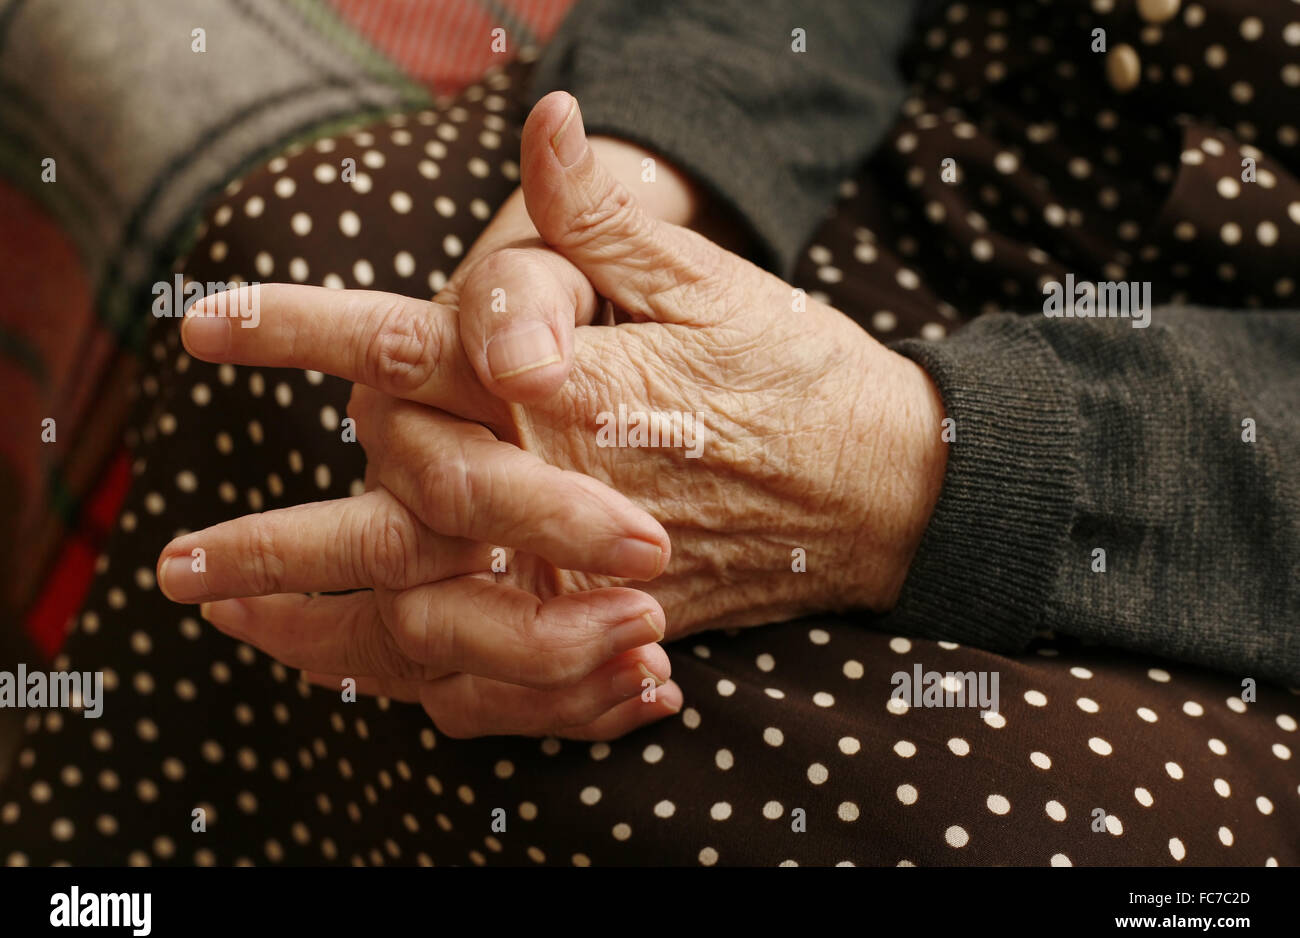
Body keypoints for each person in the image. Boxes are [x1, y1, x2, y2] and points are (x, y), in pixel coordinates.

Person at [4, 0, 1296, 867]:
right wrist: (594, 222)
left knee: (905, 808)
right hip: (932, 149)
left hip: (1242, 485)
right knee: (336, 303)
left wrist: (932, 464)